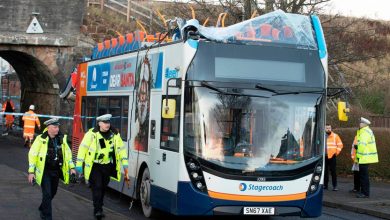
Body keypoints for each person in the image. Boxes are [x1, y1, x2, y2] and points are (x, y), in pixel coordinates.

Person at [76, 114, 129, 218]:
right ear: (99, 123)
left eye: (108, 122)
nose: (107, 125)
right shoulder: (92, 134)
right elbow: (83, 148)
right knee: (98, 187)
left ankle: (99, 206)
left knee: (103, 187)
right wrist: (78, 164)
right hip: (95, 166)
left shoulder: (114, 134)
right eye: (105, 123)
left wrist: (125, 164)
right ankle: (98, 210)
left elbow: (121, 149)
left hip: (107, 166)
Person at [27, 118, 76, 220]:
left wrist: (72, 167)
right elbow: (32, 155)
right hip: (45, 171)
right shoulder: (41, 139)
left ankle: (42, 207)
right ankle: (47, 217)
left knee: (52, 193)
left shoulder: (62, 139)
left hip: (56, 171)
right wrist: (31, 172)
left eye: (58, 127)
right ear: (48, 128)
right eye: (55, 127)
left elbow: (67, 154)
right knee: (47, 194)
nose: (57, 129)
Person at [355, 117, 379, 198]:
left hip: (364, 157)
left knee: (363, 176)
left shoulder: (364, 132)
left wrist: (357, 151)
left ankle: (365, 193)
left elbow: (362, 145)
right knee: (363, 176)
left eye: (360, 123)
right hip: (365, 157)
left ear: (364, 124)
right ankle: (364, 192)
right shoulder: (366, 131)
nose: (359, 124)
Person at [324, 124, 343, 191]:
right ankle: (325, 185)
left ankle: (335, 186)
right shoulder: (322, 136)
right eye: (327, 128)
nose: (328, 129)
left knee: (333, 172)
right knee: (325, 172)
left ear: (331, 128)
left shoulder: (335, 136)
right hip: (324, 156)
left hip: (332, 156)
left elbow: (340, 145)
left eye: (329, 128)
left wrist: (336, 153)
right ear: (324, 129)